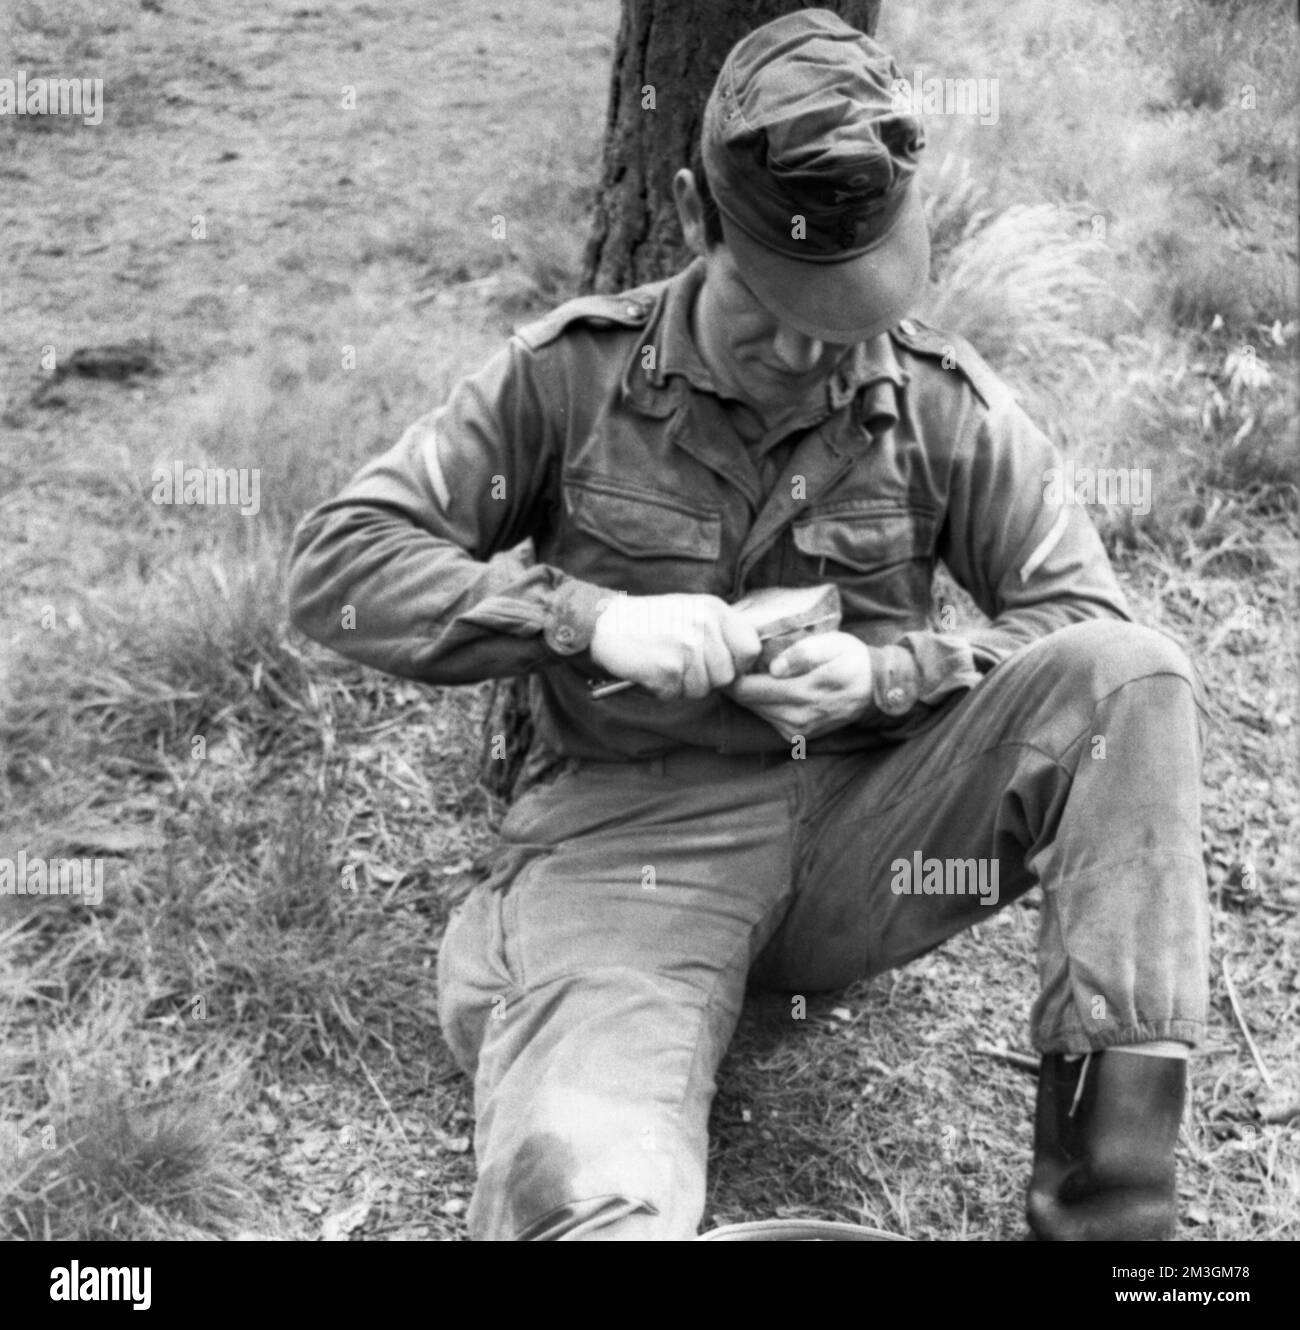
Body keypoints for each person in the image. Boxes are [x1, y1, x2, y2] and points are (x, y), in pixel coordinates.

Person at [288, 9, 1209, 1241]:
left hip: (863, 838)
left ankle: (1110, 1229)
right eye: (768, 303)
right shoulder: (570, 379)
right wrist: (589, 620)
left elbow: (1082, 619)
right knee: (582, 1183)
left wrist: (890, 674)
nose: (804, 350)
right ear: (686, 214)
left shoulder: (939, 404)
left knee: (1132, 678)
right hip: (632, 844)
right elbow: (338, 565)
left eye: (843, 314)